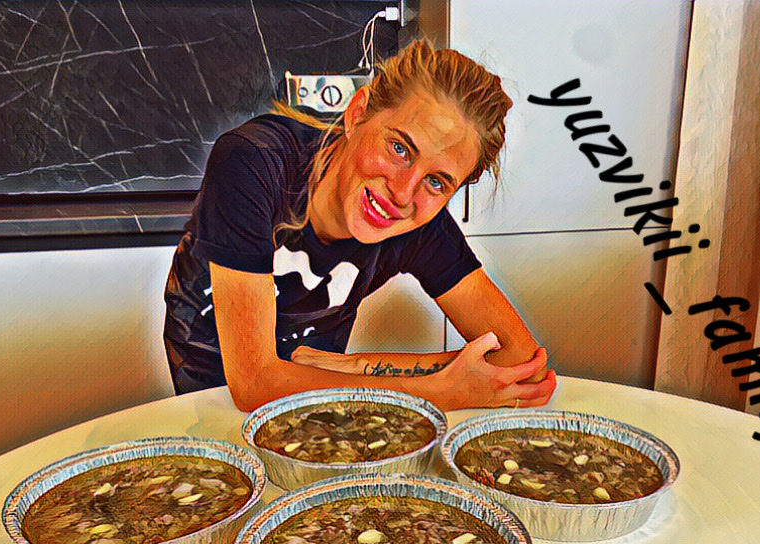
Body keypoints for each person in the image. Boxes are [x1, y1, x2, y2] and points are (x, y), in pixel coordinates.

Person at [163, 40, 556, 412]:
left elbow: (521, 361)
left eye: (437, 182)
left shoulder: (421, 222)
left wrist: (353, 366)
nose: (402, 193)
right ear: (357, 114)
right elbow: (254, 383)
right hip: (211, 398)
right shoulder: (253, 162)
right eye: (399, 148)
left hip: (325, 403)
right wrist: (437, 390)